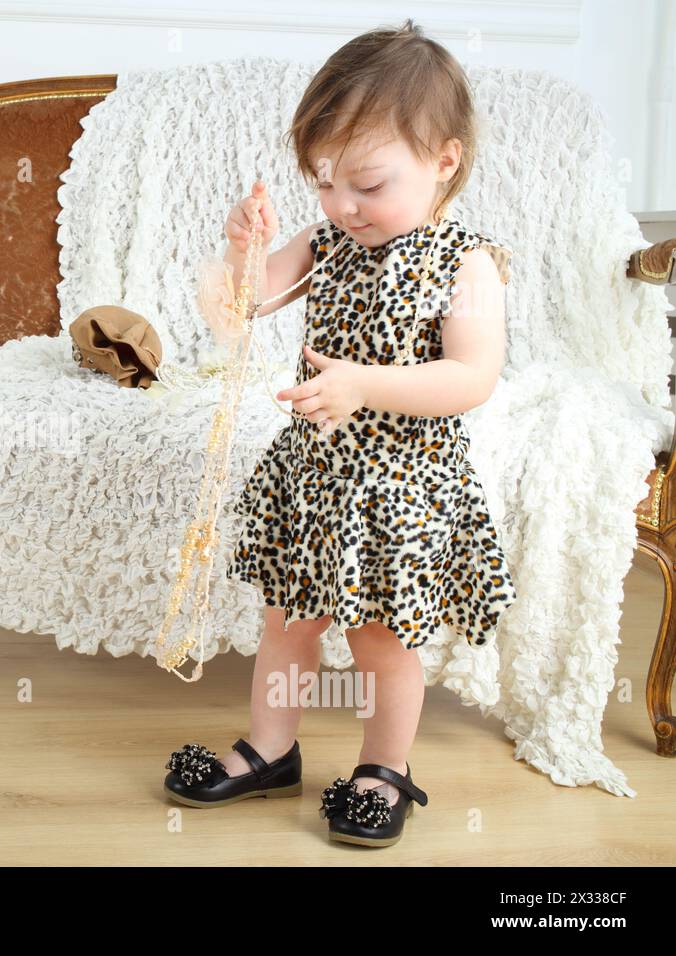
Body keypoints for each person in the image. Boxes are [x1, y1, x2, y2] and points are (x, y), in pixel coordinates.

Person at [163, 19, 517, 848]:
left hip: (400, 484)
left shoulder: (465, 263)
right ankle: (270, 750)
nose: (342, 205)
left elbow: (472, 377)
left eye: (365, 182)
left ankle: (383, 768)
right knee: (286, 621)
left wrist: (363, 384)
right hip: (316, 476)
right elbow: (239, 310)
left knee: (381, 642)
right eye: (324, 183)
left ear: (444, 162)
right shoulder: (323, 245)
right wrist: (239, 248)